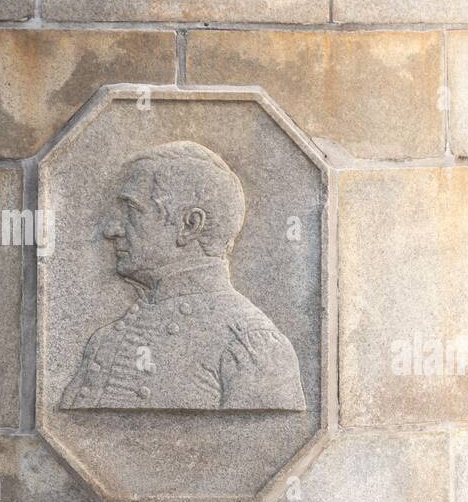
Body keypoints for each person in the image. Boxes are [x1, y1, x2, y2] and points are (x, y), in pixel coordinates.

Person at [60, 141, 305, 412]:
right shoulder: (104, 341)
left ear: (189, 226)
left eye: (132, 212)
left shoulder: (252, 349)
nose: (112, 230)